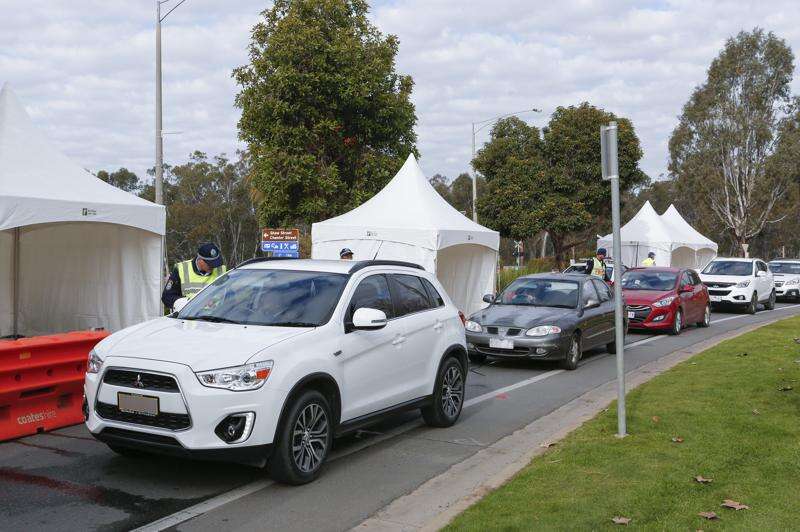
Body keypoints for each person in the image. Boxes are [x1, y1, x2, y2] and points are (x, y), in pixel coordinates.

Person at [161, 243, 227, 310]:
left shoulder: (221, 270)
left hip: (217, 316)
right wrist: (187, 303)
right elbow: (167, 297)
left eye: (216, 263)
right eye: (210, 264)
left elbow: (229, 294)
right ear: (200, 260)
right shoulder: (181, 269)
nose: (213, 266)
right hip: (189, 316)